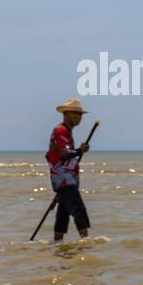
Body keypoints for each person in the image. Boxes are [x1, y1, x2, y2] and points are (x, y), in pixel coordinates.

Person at [45, 99, 92, 241]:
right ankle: (86, 242)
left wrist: (78, 151)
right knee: (79, 210)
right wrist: (80, 150)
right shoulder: (61, 131)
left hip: (64, 179)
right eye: (76, 113)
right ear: (66, 114)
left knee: (63, 215)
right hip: (64, 180)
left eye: (80, 114)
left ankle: (57, 245)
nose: (79, 117)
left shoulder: (66, 132)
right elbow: (64, 155)